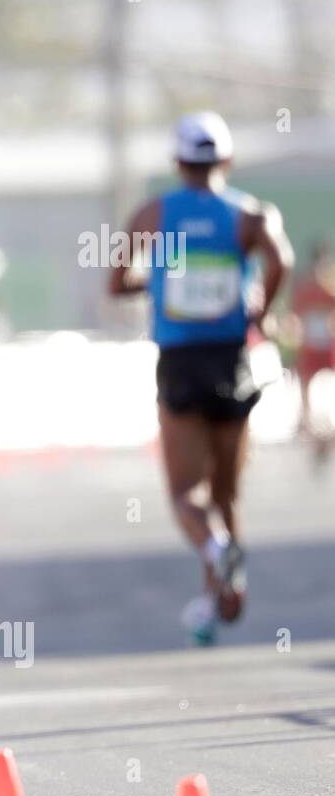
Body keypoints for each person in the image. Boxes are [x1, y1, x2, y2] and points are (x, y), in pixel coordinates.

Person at [109, 112, 291, 644]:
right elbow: (282, 260)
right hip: (233, 361)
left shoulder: (153, 214)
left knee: (187, 493)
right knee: (227, 494)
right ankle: (223, 601)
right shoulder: (250, 216)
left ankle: (216, 555)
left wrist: (160, 284)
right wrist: (259, 309)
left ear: (177, 163)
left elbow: (117, 282)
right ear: (226, 162)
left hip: (182, 363)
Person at [289, 242, 335, 461]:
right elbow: (295, 312)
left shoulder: (329, 282)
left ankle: (314, 422)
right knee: (305, 382)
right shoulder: (305, 285)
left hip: (327, 343)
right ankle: (304, 421)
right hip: (310, 343)